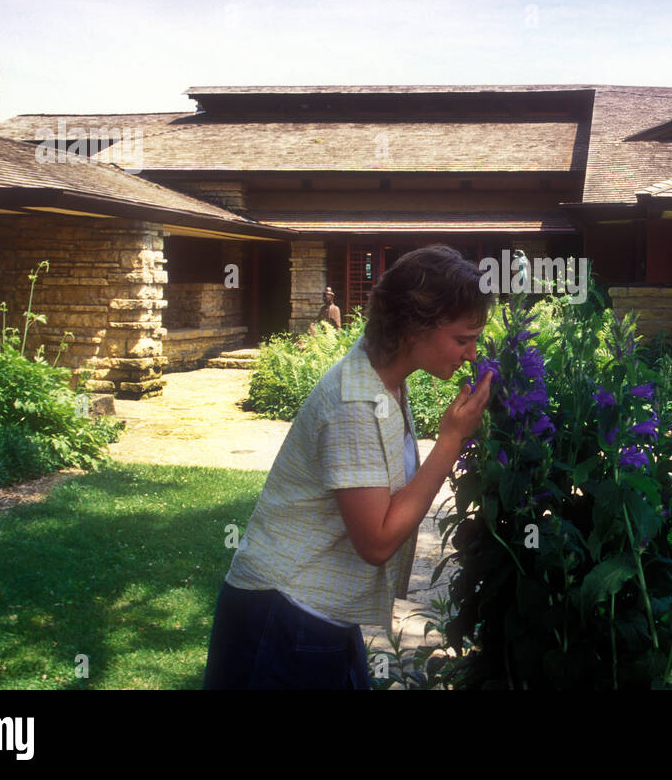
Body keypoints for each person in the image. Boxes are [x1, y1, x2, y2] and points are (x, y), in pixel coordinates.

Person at [203, 245, 493, 689]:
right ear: (415, 326)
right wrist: (450, 440)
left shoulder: (380, 378)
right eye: (462, 338)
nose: (472, 354)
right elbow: (376, 542)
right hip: (282, 618)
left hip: (316, 614)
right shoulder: (354, 401)